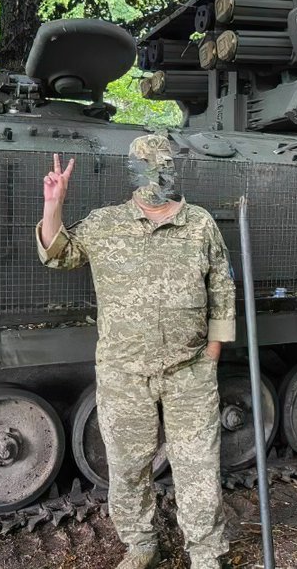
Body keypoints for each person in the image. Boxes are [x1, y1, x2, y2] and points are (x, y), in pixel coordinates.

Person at [36, 134, 235, 569]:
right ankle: (141, 544)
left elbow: (221, 288)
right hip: (124, 374)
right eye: (145, 167)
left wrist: (213, 351)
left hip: (189, 372)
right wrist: (55, 203)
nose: (155, 175)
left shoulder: (200, 224)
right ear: (131, 172)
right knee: (128, 467)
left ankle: (206, 554)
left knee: (199, 466)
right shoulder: (105, 223)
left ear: (174, 171)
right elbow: (58, 255)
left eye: (163, 166)